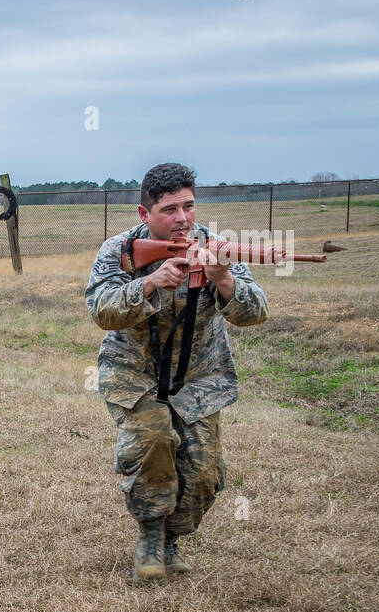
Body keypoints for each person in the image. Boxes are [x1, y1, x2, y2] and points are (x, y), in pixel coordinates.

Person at [85, 163, 269, 583]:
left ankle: (172, 538)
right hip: (134, 375)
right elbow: (102, 311)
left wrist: (224, 280)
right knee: (152, 446)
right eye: (169, 210)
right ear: (144, 213)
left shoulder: (215, 248)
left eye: (188, 206)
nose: (183, 218)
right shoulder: (120, 251)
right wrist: (149, 285)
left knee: (204, 473)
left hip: (200, 379)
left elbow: (255, 312)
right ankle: (150, 536)